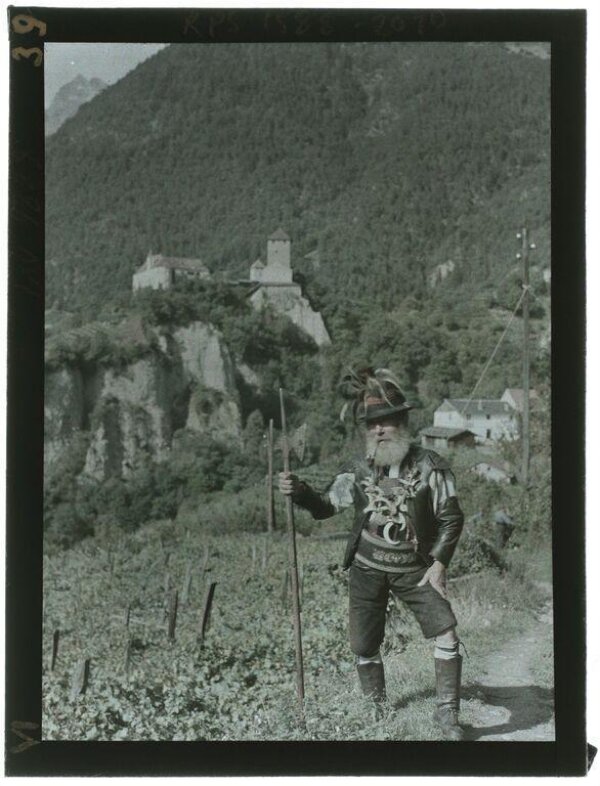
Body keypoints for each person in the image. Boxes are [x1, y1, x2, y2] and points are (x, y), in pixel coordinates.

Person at [279, 367, 465, 740]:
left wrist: (440, 562)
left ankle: (448, 715)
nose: (379, 429)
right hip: (366, 568)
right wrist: (299, 491)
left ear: (402, 422)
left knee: (446, 632)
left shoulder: (431, 467)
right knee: (363, 644)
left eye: (387, 421)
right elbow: (326, 506)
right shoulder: (357, 470)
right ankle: (377, 708)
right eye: (372, 424)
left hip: (416, 568)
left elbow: (451, 518)